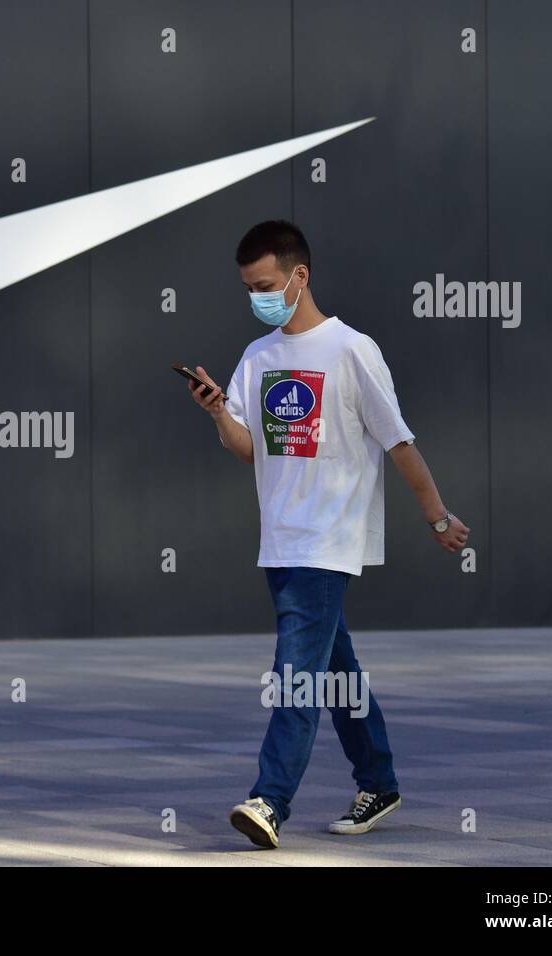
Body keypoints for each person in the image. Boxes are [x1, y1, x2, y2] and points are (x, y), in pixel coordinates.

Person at [185, 219, 469, 849]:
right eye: (248, 288)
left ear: (299, 276)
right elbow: (248, 449)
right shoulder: (258, 357)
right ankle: (380, 779)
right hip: (280, 540)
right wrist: (215, 413)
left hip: (325, 541)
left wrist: (438, 516)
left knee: (296, 677)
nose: (257, 297)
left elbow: (399, 444)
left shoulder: (350, 350)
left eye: (265, 284)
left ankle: (269, 799)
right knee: (334, 668)